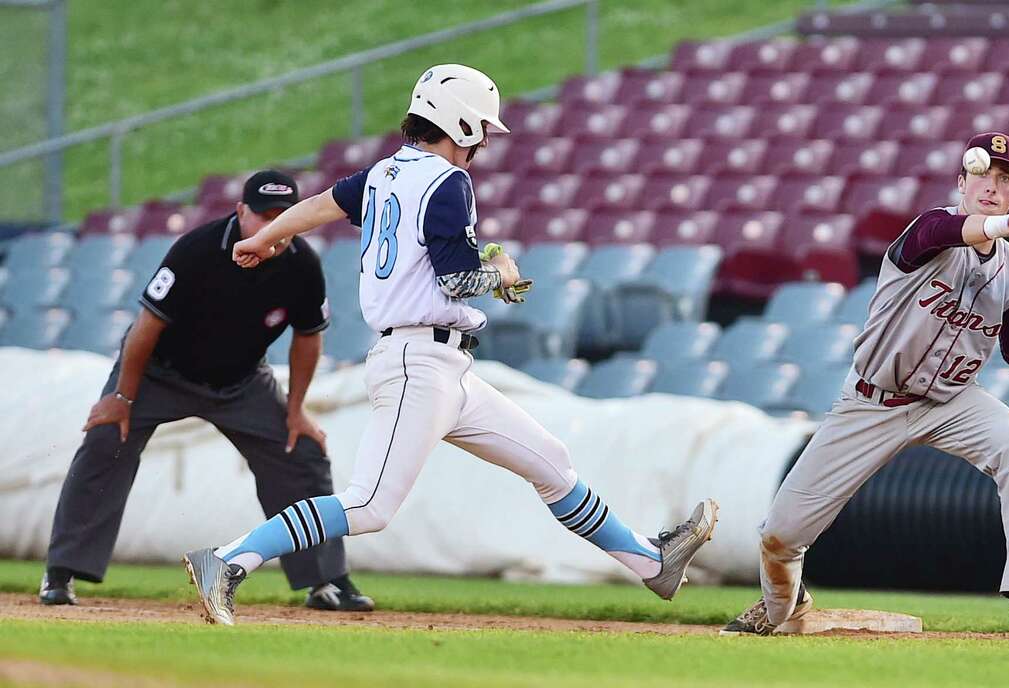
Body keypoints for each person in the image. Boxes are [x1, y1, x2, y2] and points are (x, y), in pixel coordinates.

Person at [182, 64, 718, 626]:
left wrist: (266, 235)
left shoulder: (385, 173)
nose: (484, 141)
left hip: (442, 365)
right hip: (419, 362)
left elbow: (318, 205)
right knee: (368, 506)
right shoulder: (447, 180)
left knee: (553, 464)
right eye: (481, 128)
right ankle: (227, 560)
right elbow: (456, 280)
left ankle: (651, 562)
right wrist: (502, 272)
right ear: (457, 121)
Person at [721, 132, 1009, 640]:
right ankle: (783, 605)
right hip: (872, 400)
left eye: (1006, 179)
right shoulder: (930, 229)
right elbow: (952, 233)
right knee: (780, 535)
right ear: (961, 182)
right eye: (982, 174)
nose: (992, 185)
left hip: (952, 401)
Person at [40, 171, 373, 613]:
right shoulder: (196, 250)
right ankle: (61, 572)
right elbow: (145, 329)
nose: (271, 225)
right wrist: (120, 399)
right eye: (262, 215)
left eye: (282, 216)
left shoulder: (302, 265)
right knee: (105, 441)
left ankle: (327, 580)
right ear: (241, 212)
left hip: (241, 382)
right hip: (161, 372)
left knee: (302, 452)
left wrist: (296, 410)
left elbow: (308, 337)